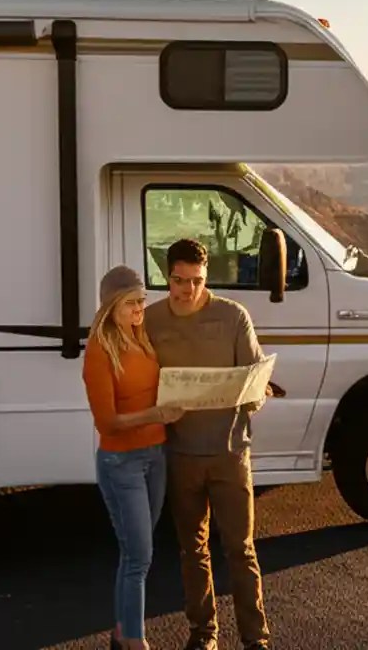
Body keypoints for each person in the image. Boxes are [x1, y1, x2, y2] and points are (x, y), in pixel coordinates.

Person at [144, 238, 272, 650]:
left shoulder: (233, 316)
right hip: (180, 453)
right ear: (168, 277)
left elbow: (256, 381)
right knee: (192, 549)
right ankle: (204, 634)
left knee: (240, 548)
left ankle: (256, 639)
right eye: (180, 281)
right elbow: (140, 383)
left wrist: (256, 394)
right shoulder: (150, 321)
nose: (189, 290)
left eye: (198, 281)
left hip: (230, 452)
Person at [82, 265, 186, 650]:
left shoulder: (142, 338)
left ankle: (122, 630)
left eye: (142, 300)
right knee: (140, 555)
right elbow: (107, 422)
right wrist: (154, 415)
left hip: (155, 454)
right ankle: (134, 640)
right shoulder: (99, 350)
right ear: (111, 306)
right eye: (130, 303)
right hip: (121, 462)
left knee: (136, 552)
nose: (140, 309)